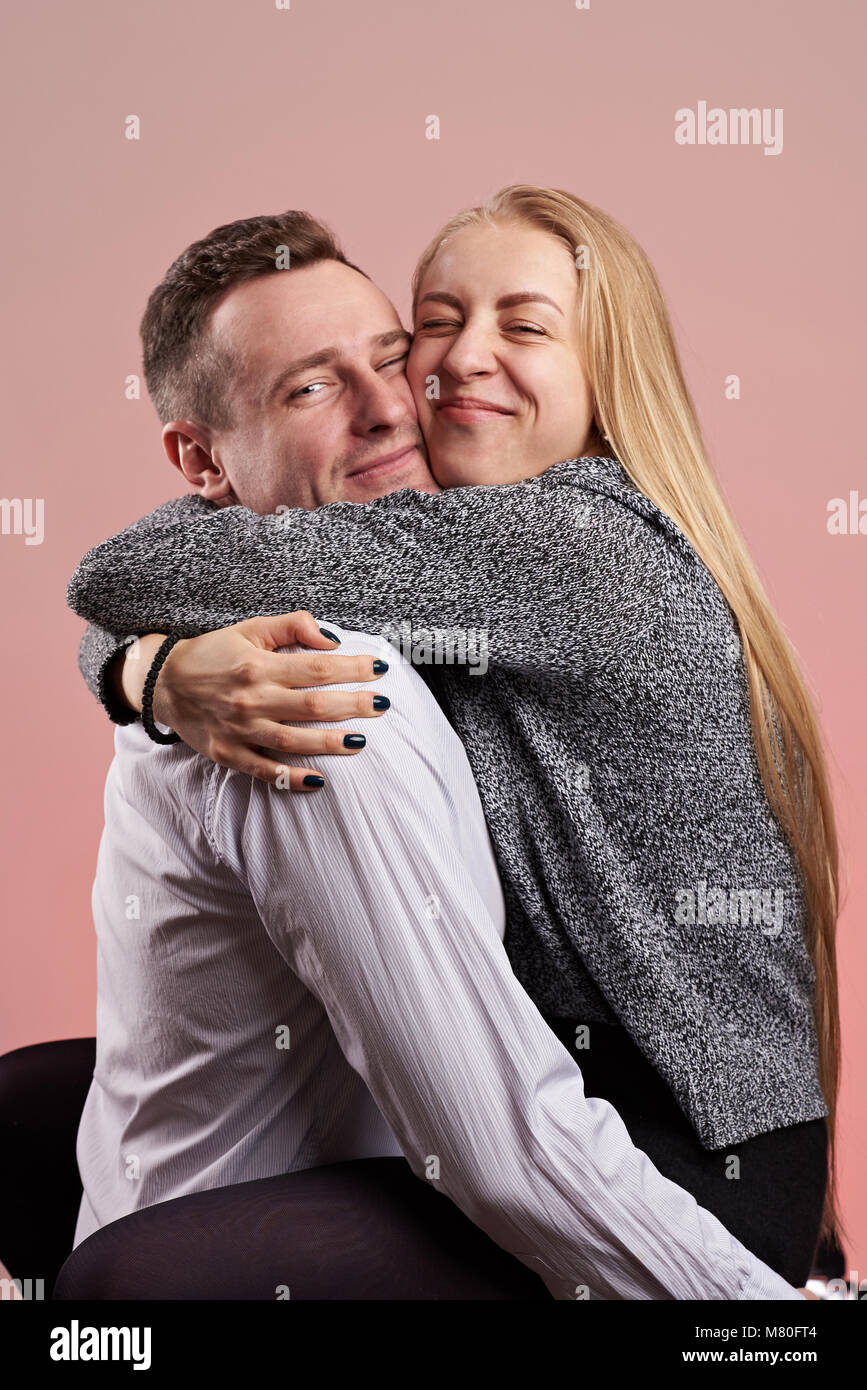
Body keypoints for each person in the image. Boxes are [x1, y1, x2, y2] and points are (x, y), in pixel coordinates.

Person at [67, 193, 839, 1294]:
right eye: (438, 321)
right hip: (639, 1095)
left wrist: (140, 667)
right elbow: (188, 579)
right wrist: (148, 670)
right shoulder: (440, 569)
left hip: (682, 1154)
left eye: (524, 326)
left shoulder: (568, 543)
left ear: (606, 371)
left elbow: (129, 574)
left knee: (146, 1274)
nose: (445, 371)